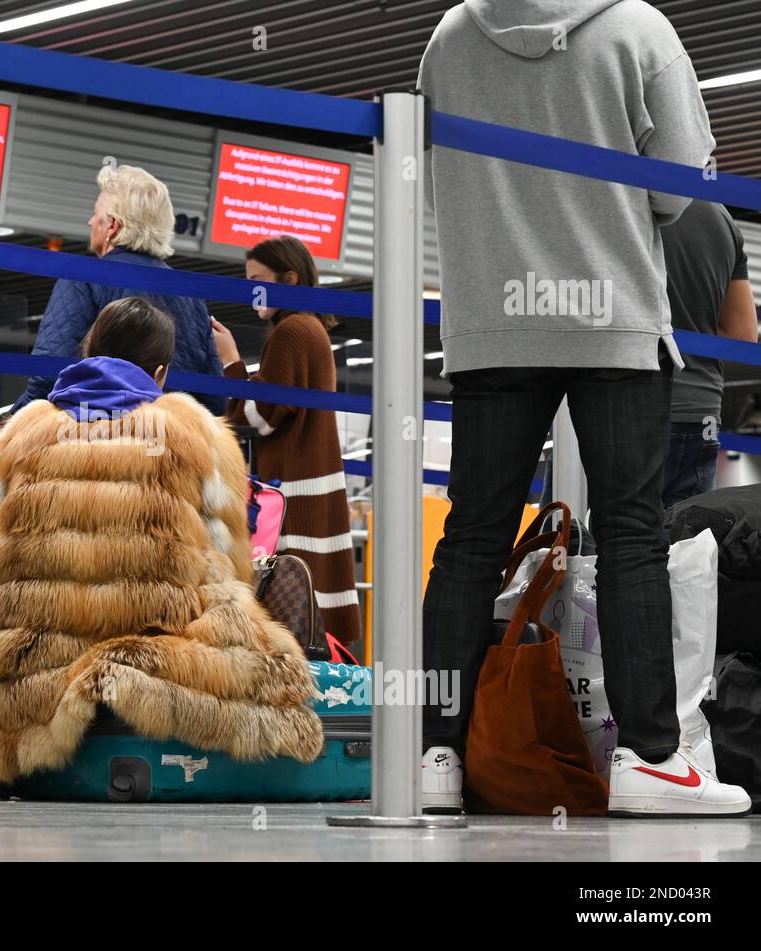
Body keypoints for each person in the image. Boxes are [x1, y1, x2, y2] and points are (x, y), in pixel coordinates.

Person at [418, 0, 751, 816]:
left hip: (494, 312)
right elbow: (680, 190)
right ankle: (649, 760)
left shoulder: (450, 39)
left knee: (471, 537)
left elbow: (435, 178)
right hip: (612, 313)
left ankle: (437, 756)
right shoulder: (639, 28)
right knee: (632, 530)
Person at [0, 297, 322, 798]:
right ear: (160, 371)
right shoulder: (192, 430)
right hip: (159, 639)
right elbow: (229, 561)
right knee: (262, 650)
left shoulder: (21, 432)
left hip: (31, 653)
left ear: (88, 350)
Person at [211, 236, 361, 651]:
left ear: (288, 279)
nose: (252, 290)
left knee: (294, 605)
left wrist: (231, 363)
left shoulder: (291, 332)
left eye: (259, 280)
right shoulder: (310, 328)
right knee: (320, 607)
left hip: (295, 491)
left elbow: (261, 416)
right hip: (315, 487)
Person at [11, 163, 225, 415]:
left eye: (95, 214)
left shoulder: (84, 277)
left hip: (98, 442)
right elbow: (214, 401)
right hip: (165, 442)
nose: (90, 221)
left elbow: (49, 374)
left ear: (112, 225)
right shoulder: (191, 296)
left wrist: (7, 426)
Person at [661, 201, 757, 507]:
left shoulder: (626, 200)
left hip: (628, 408)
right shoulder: (721, 217)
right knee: (687, 544)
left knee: (592, 544)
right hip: (700, 411)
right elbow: (744, 335)